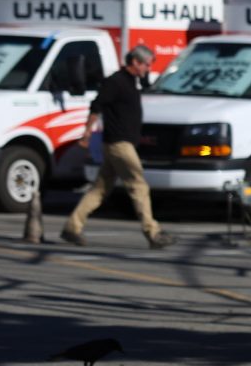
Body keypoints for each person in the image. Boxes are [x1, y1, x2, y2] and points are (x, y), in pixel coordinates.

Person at [61, 45, 175, 249]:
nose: (148, 69)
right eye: (146, 65)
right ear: (135, 62)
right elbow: (97, 105)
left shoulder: (132, 82)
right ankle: (152, 231)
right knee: (138, 185)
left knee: (100, 189)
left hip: (119, 144)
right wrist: (87, 131)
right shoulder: (116, 82)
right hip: (119, 144)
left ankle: (72, 227)